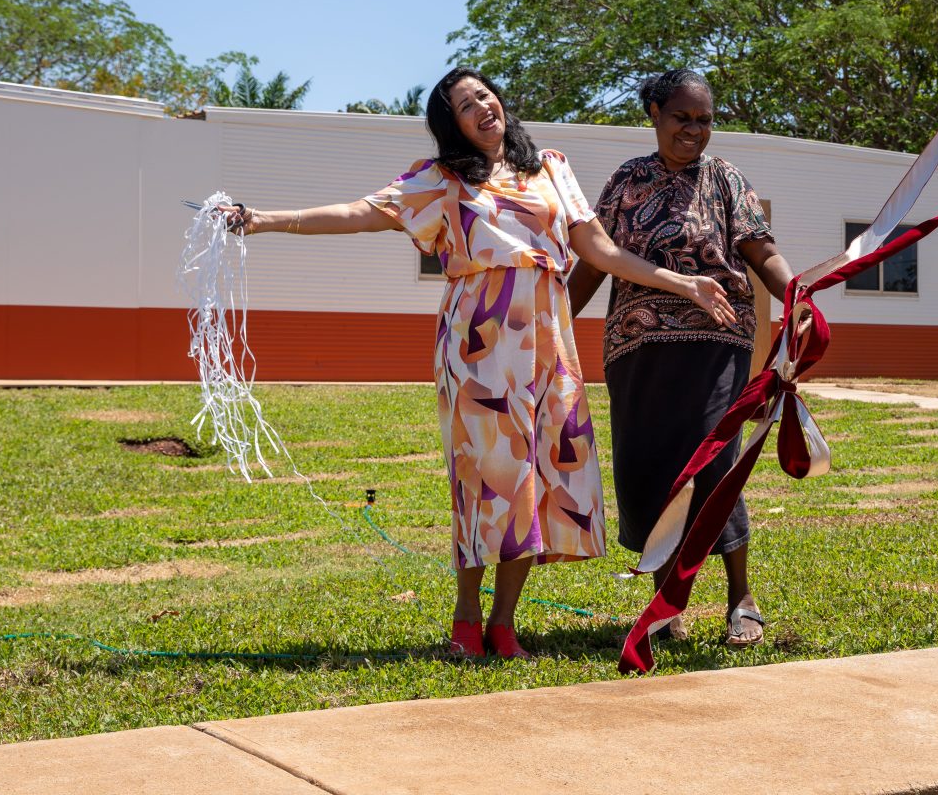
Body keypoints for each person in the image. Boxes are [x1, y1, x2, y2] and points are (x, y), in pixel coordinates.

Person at [221, 67, 735, 659]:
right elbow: (359, 212)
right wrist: (262, 220)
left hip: (548, 339)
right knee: (486, 478)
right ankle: (466, 618)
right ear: (454, 125)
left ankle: (504, 623)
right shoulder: (441, 180)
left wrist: (682, 283)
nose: (482, 108)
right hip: (479, 342)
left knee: (539, 473)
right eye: (466, 106)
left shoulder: (550, 168)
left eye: (485, 96)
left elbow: (599, 249)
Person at [566, 69, 792, 646]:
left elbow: (762, 252)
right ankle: (668, 604)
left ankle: (740, 596)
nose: (693, 130)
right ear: (655, 114)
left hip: (716, 339)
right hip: (635, 347)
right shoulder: (626, 181)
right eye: (681, 117)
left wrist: (798, 296)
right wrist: (551, 323)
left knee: (711, 460)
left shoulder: (724, 178)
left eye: (704, 120)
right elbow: (594, 262)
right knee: (647, 467)